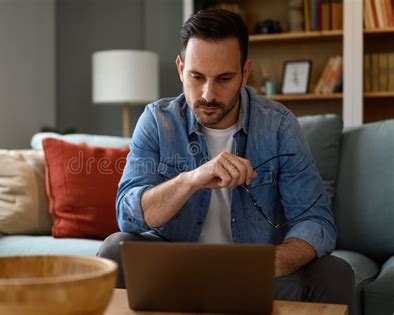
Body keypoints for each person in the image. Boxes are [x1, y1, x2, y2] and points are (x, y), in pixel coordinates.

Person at [98, 8, 355, 314]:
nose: (208, 94)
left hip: (257, 272)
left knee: (335, 272)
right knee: (115, 249)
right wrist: (191, 180)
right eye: (196, 77)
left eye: (224, 78)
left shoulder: (279, 126)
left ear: (245, 73)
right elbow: (128, 214)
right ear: (181, 68)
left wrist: (273, 262)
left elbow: (316, 220)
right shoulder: (157, 121)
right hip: (176, 268)